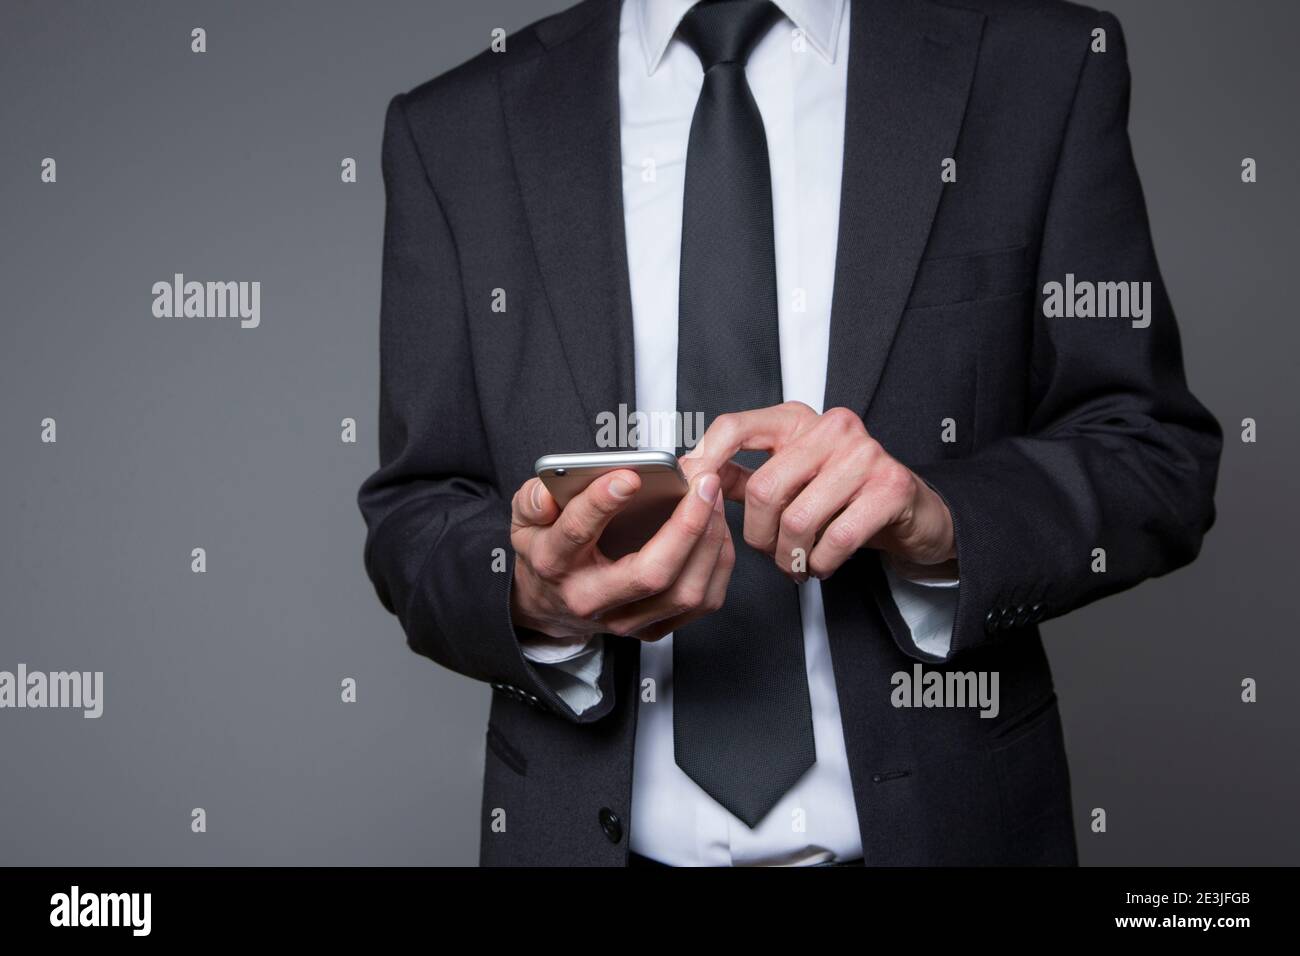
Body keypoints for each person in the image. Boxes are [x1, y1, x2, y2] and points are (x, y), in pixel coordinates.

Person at [358, 0, 1221, 866]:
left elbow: (1153, 450)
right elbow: (415, 511)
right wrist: (531, 595)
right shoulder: (456, 126)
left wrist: (944, 522)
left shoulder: (1039, 65)